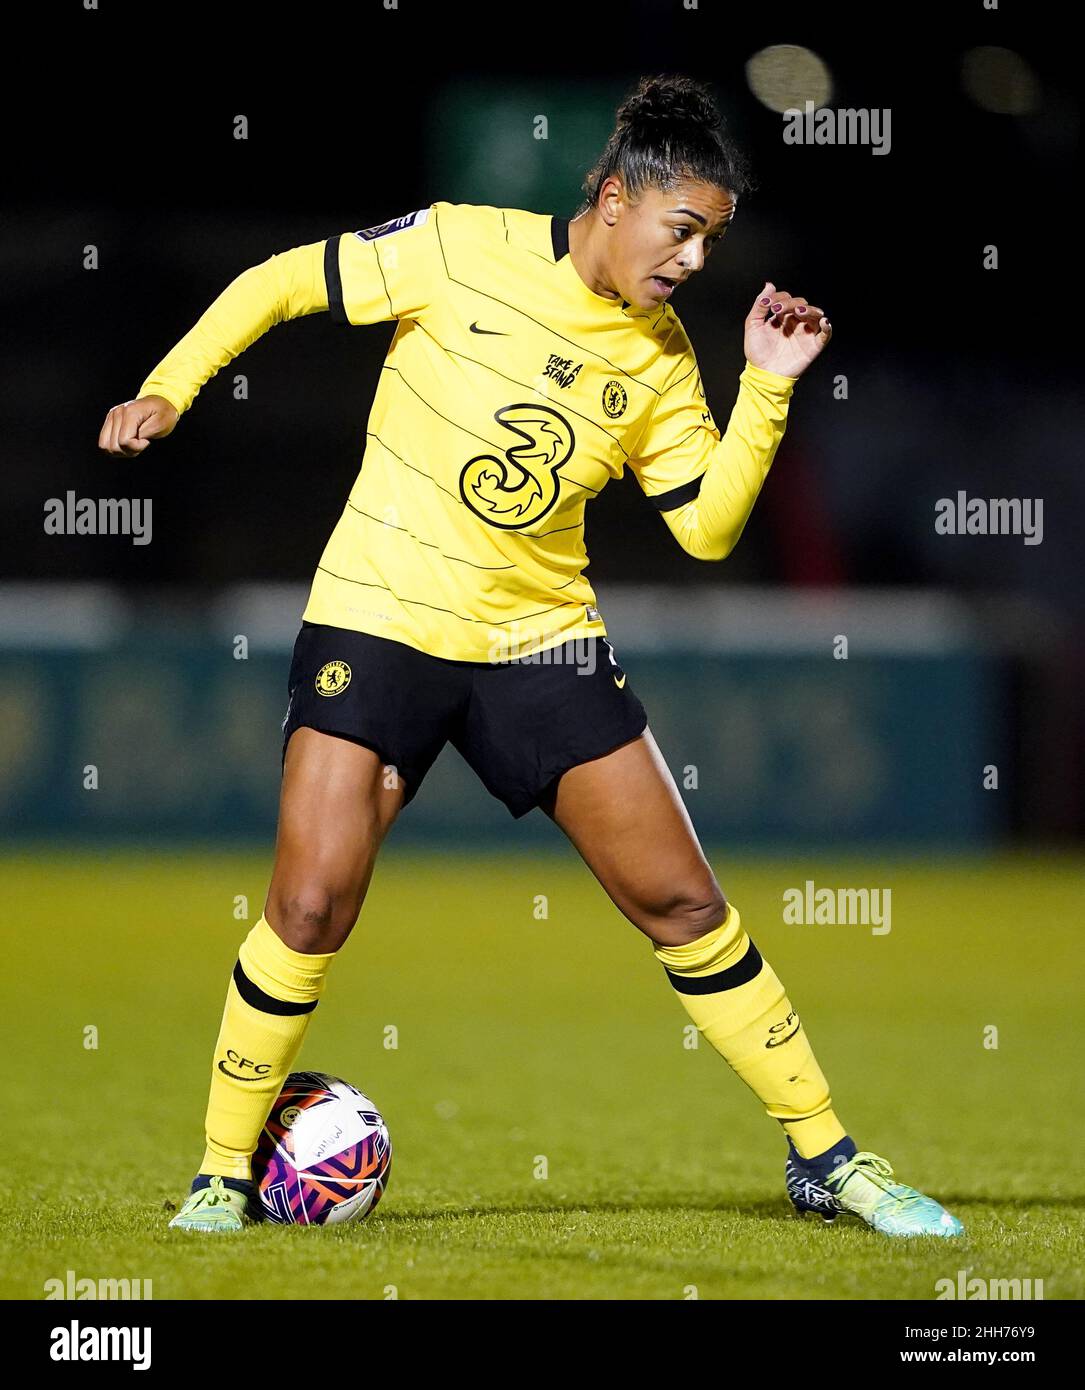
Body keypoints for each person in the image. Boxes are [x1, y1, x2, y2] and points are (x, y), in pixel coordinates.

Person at [98, 73, 963, 1239]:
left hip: (538, 638)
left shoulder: (658, 359)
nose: (694, 260)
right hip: (380, 612)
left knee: (679, 897)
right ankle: (217, 1170)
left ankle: (827, 1157)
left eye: (711, 238)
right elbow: (280, 280)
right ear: (612, 197)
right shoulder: (454, 247)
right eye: (683, 229)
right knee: (306, 904)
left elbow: (704, 527)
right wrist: (168, 386)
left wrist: (763, 387)